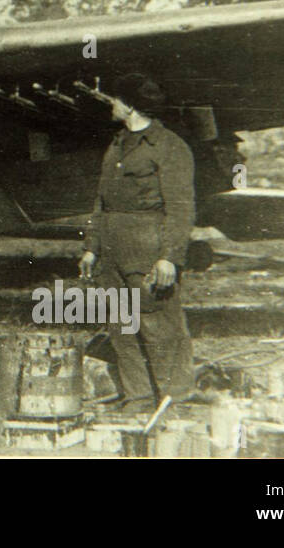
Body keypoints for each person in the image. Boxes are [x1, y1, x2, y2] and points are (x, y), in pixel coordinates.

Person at [79, 74, 196, 411]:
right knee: (121, 326)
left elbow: (180, 207)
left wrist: (169, 257)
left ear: (130, 105)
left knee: (158, 325)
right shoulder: (116, 144)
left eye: (115, 99)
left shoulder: (170, 147)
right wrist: (91, 247)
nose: (111, 104)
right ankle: (139, 398)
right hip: (113, 248)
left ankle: (174, 400)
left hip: (148, 245)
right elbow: (102, 201)